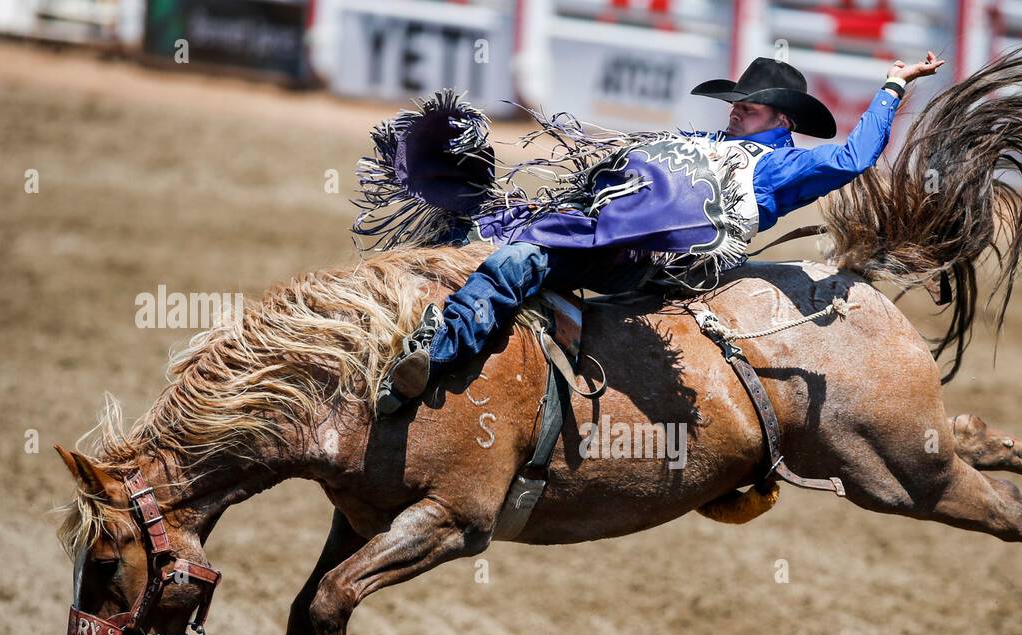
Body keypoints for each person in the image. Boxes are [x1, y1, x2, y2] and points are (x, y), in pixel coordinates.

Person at [359, 53, 945, 415]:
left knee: (519, 260)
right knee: (485, 230)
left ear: (783, 120)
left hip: (641, 255)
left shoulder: (779, 169)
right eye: (736, 102)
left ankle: (432, 360)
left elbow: (854, 158)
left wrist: (893, 86)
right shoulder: (710, 147)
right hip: (604, 222)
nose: (737, 111)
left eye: (752, 107)